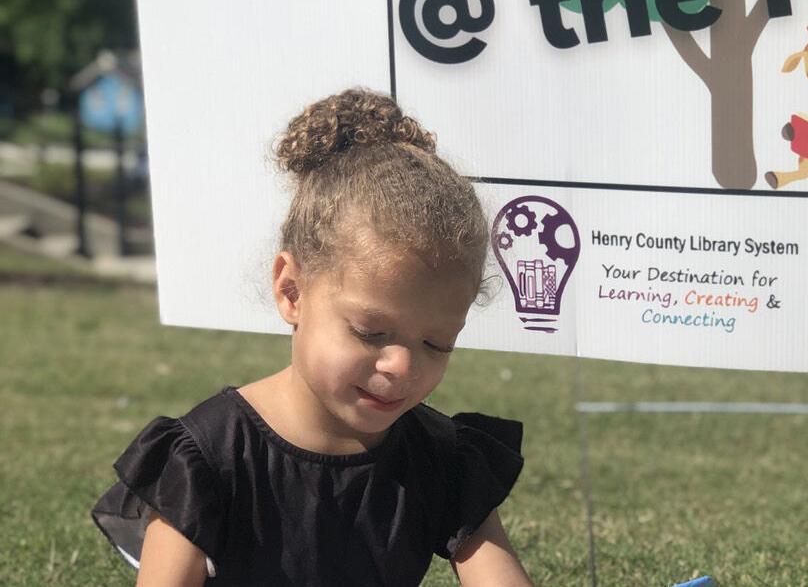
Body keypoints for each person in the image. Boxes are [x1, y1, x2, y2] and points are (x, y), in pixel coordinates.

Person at [91, 88, 532, 586]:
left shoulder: (441, 458)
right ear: (292, 290)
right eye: (372, 332)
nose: (403, 366)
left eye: (437, 344)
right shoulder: (209, 458)